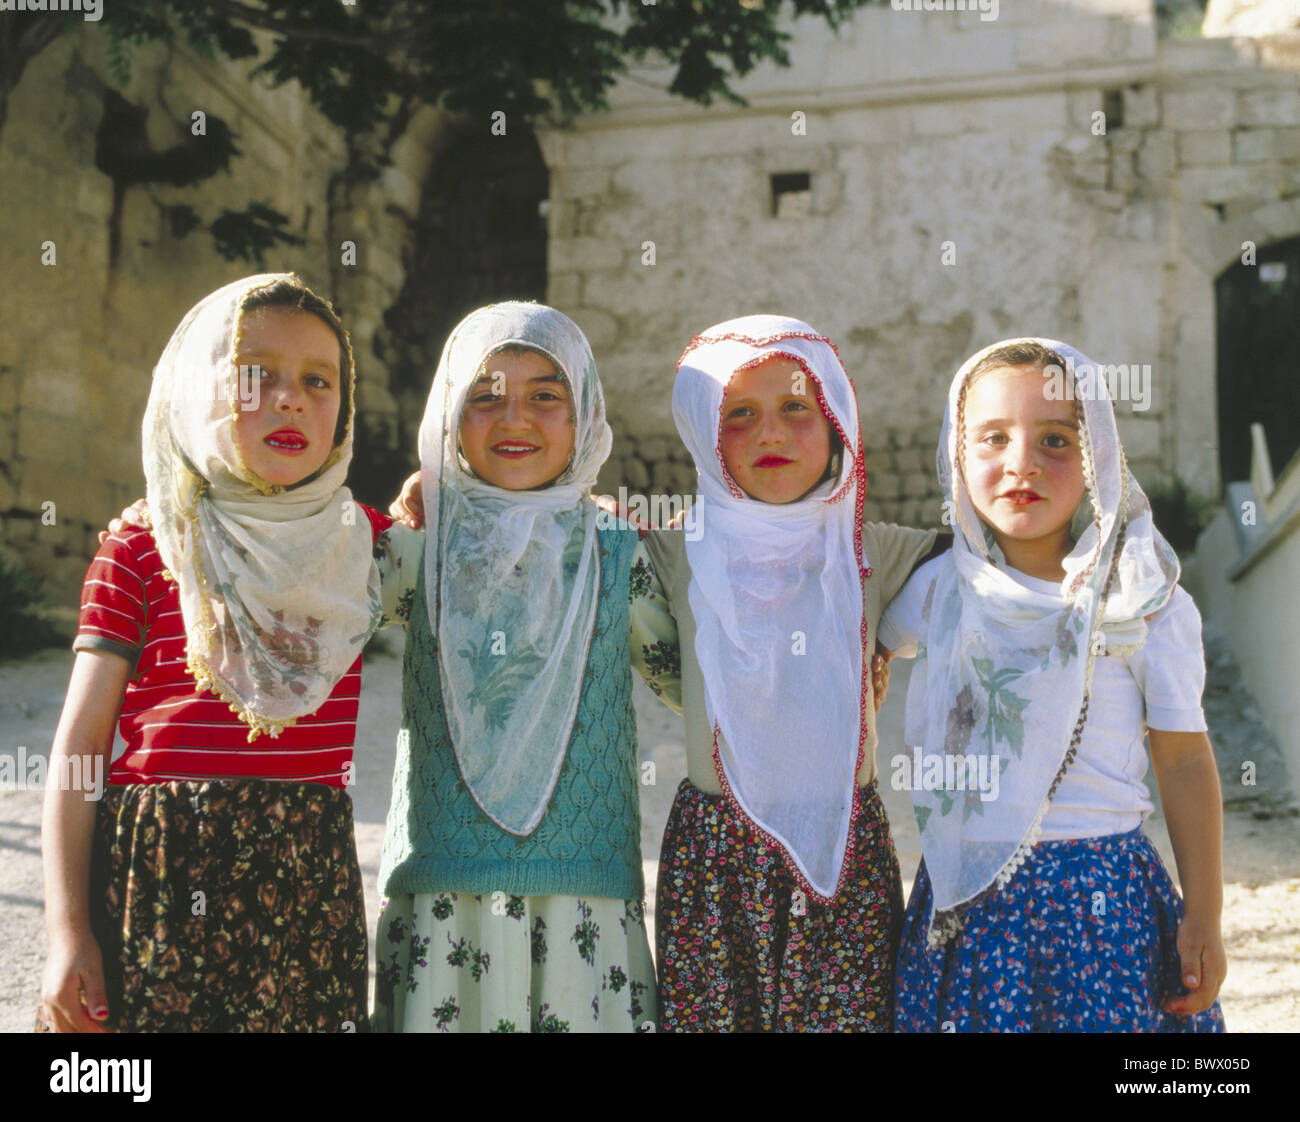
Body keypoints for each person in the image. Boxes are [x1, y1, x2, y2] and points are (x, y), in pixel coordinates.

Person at [38, 274, 388, 1033]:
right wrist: (68, 931)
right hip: (156, 883)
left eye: (318, 380)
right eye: (255, 375)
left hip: (305, 891)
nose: (291, 398)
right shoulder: (146, 542)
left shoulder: (366, 547)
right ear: (199, 391)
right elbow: (81, 745)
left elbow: (490, 558)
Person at [880, 337, 1226, 1032]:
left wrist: (1205, 915)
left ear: (1099, 451)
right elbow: (863, 658)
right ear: (957, 454)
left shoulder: (1142, 602)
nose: (1021, 463)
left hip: (1103, 908)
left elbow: (1184, 760)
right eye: (993, 438)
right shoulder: (936, 592)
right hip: (971, 902)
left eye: (1056, 439)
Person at [630, 314, 936, 1031]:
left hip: (843, 852)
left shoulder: (873, 549)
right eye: (740, 414)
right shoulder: (675, 547)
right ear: (704, 429)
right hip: (713, 859)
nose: (770, 433)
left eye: (797, 406)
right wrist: (433, 491)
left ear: (837, 424)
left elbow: (997, 557)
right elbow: (557, 524)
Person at [371, 301, 656, 1033]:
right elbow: (315, 628)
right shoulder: (416, 552)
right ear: (448, 415)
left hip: (580, 893)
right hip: (445, 890)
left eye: (545, 396)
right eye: (484, 396)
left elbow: (702, 685)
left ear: (585, 413)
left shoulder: (619, 555)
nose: (514, 418)